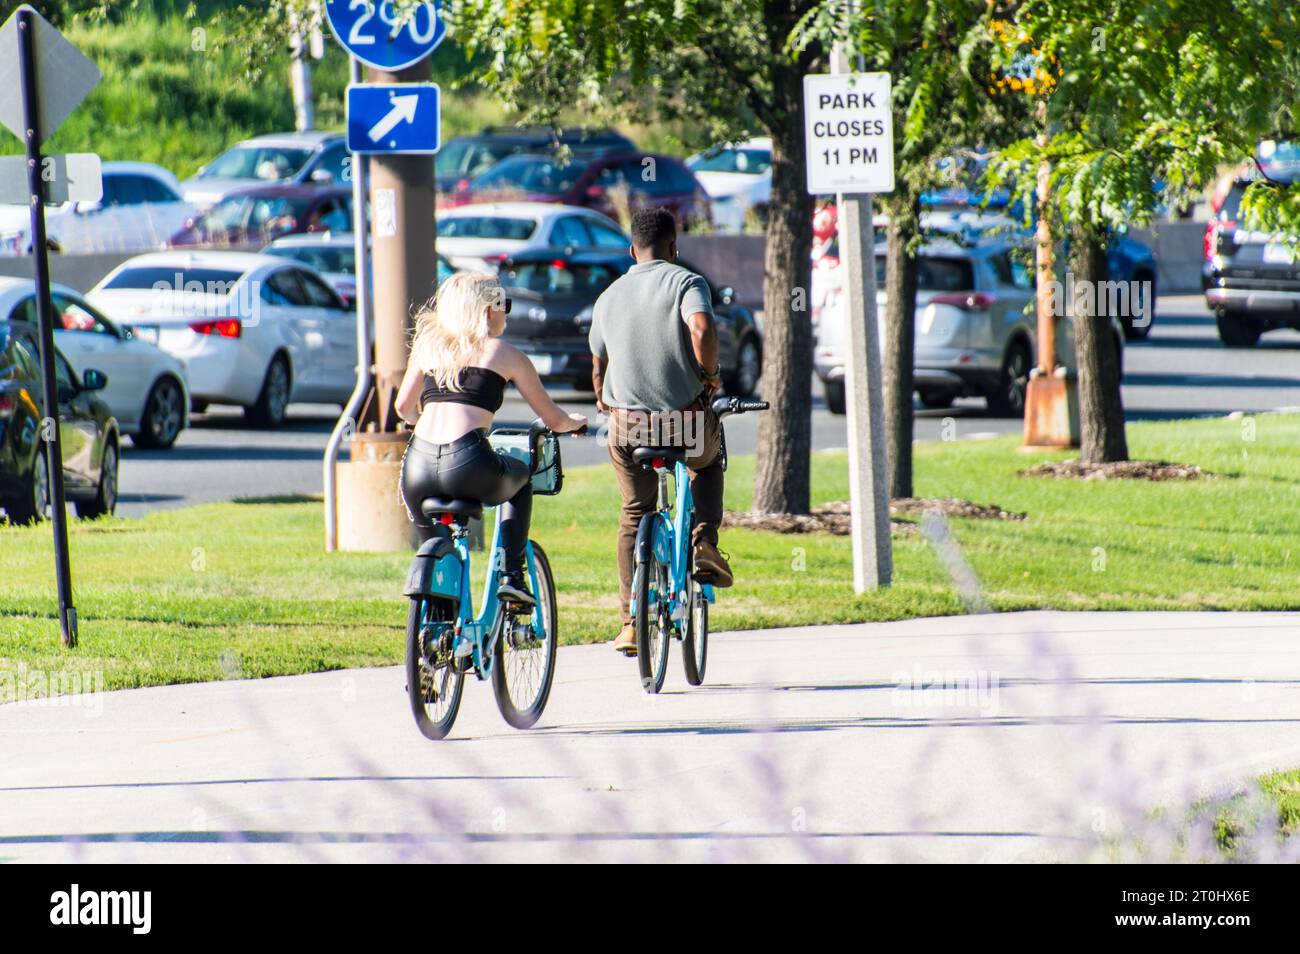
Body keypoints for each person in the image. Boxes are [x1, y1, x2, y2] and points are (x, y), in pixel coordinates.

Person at [589, 207, 733, 656]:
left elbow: (597, 361)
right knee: (707, 464)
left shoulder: (609, 294)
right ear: (674, 247)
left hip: (627, 426)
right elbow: (703, 327)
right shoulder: (687, 282)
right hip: (685, 419)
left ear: (632, 251)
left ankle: (631, 622)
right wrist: (709, 376)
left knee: (635, 509)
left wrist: (603, 397)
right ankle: (705, 541)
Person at [396, 271, 586, 605]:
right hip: (467, 461)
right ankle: (512, 574)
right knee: (522, 478)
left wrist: (424, 424)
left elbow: (402, 407)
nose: (506, 312)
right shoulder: (503, 353)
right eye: (503, 304)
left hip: (417, 466)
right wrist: (574, 423)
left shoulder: (428, 348)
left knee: (443, 578)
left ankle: (441, 635)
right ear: (487, 309)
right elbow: (553, 418)